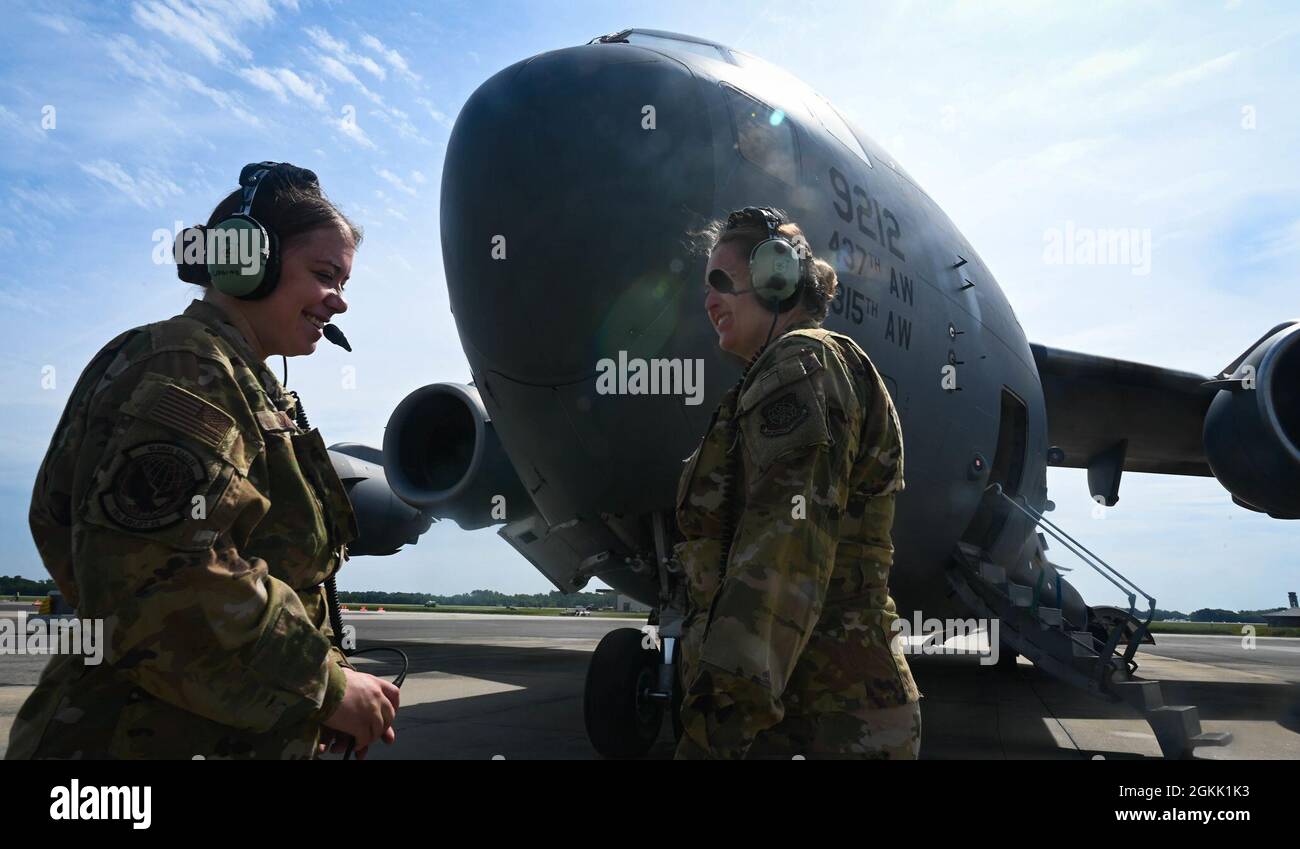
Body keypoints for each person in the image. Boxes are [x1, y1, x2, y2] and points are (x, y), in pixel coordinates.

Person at [7, 162, 399, 759]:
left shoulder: (242, 380)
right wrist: (327, 686)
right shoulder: (187, 368)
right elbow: (159, 577)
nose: (338, 302)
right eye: (325, 275)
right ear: (249, 264)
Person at [673, 207, 921, 759]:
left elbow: (781, 558)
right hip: (809, 707)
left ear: (776, 278)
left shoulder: (801, 363)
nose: (709, 301)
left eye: (722, 281)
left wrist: (716, 731)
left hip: (820, 719)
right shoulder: (781, 375)